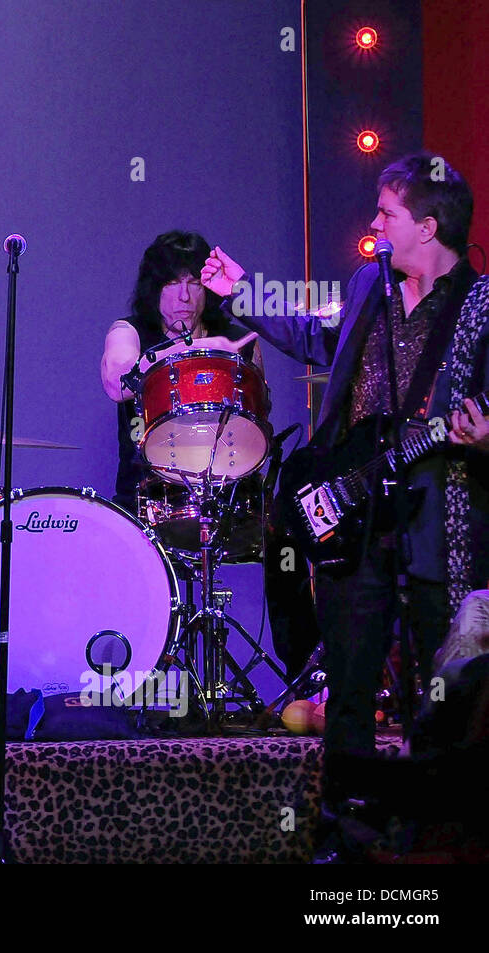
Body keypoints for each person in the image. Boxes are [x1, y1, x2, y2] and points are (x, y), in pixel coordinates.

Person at [200, 153, 489, 795]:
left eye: (388, 213)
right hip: (354, 516)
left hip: (433, 521)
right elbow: (319, 339)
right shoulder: (368, 285)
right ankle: (348, 826)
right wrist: (240, 294)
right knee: (350, 688)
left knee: (435, 694)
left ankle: (429, 827)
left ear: (428, 226)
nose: (376, 224)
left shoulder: (481, 305)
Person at [100, 231, 262, 510]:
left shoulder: (239, 341)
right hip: (144, 503)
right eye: (172, 284)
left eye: (194, 284)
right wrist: (194, 350)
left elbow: (258, 421)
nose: (184, 296)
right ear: (154, 289)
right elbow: (117, 383)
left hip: (226, 502)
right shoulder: (129, 331)